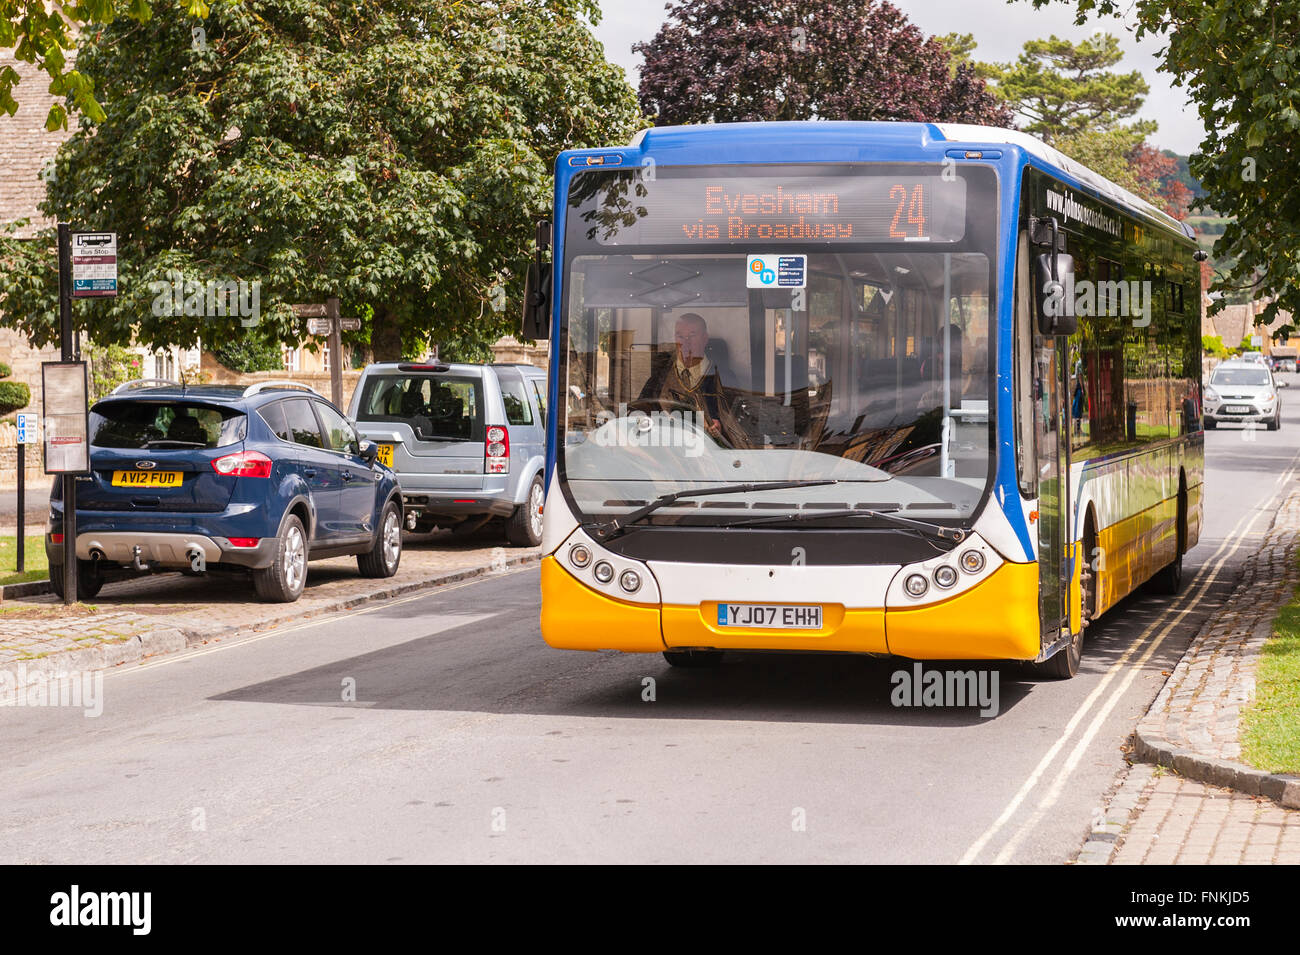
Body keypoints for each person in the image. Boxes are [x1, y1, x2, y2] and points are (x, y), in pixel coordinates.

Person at [637, 312, 748, 447]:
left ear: (705, 338)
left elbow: (737, 427)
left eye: (692, 336)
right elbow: (640, 411)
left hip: (710, 456)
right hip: (667, 455)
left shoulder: (724, 378)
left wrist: (720, 429)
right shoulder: (659, 376)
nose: (685, 342)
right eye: (680, 336)